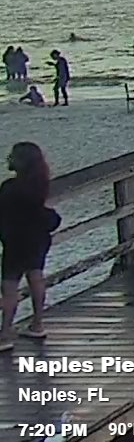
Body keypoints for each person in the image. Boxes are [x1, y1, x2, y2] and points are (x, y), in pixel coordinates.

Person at [0, 142, 56, 351]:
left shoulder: (10, 188)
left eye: (12, 156)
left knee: (9, 287)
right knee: (36, 276)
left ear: (21, 162)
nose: (8, 159)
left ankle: (5, 334)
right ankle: (38, 324)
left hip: (15, 241)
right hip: (37, 238)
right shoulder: (39, 184)